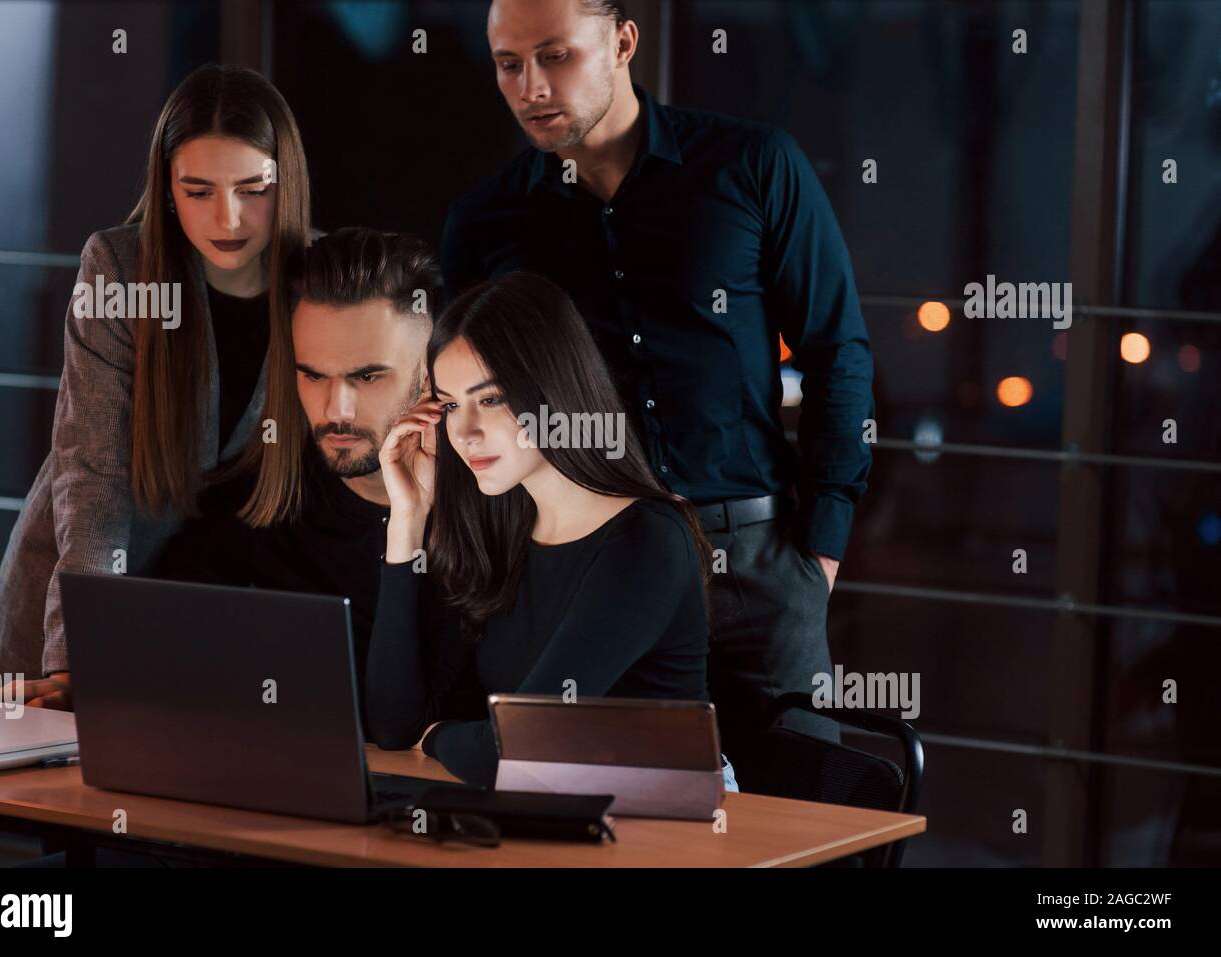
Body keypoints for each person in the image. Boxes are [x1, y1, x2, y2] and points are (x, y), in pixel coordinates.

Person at [439, 0, 875, 764]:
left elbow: (839, 352)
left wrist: (822, 551)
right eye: (509, 64)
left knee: (801, 818)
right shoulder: (486, 220)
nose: (530, 86)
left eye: (556, 56)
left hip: (756, 566)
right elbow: (472, 401)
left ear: (623, 42)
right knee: (612, 814)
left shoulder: (754, 165)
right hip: (591, 568)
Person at [0, 63, 312, 707]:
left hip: (205, 615)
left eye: (252, 188)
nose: (229, 218)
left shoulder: (320, 280)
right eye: (199, 190)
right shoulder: (120, 271)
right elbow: (91, 476)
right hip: (76, 607)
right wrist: (79, 660)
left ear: (286, 181)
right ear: (165, 191)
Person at [365, 271, 736, 792]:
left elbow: (521, 746)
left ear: (554, 393)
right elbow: (393, 727)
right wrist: (408, 520)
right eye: (450, 405)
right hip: (551, 814)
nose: (465, 431)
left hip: (664, 825)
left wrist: (442, 737)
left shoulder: (647, 541)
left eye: (491, 399)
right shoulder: (502, 525)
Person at [152, 227, 478, 723]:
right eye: (313, 375)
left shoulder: (500, 509)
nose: (336, 410)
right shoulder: (259, 500)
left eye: (367, 376)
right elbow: (156, 638)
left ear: (432, 372)